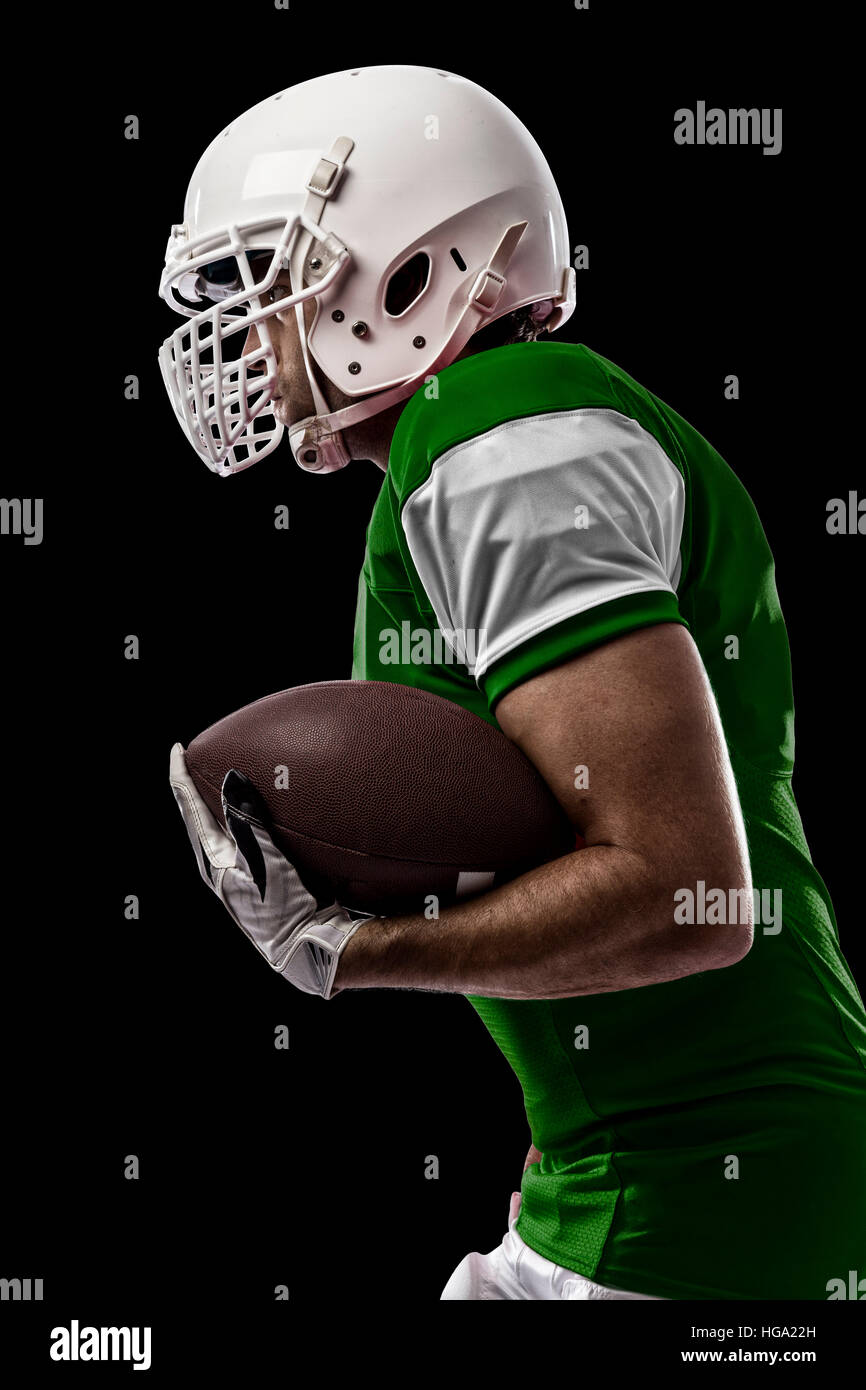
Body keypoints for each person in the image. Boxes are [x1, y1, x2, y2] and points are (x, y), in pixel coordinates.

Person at [162, 64, 866, 1300]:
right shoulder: (489, 434)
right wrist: (565, 1098)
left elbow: (683, 892)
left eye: (270, 279)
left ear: (405, 275)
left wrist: (351, 951)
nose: (248, 331)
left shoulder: (503, 441)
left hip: (709, 1186)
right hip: (648, 1161)